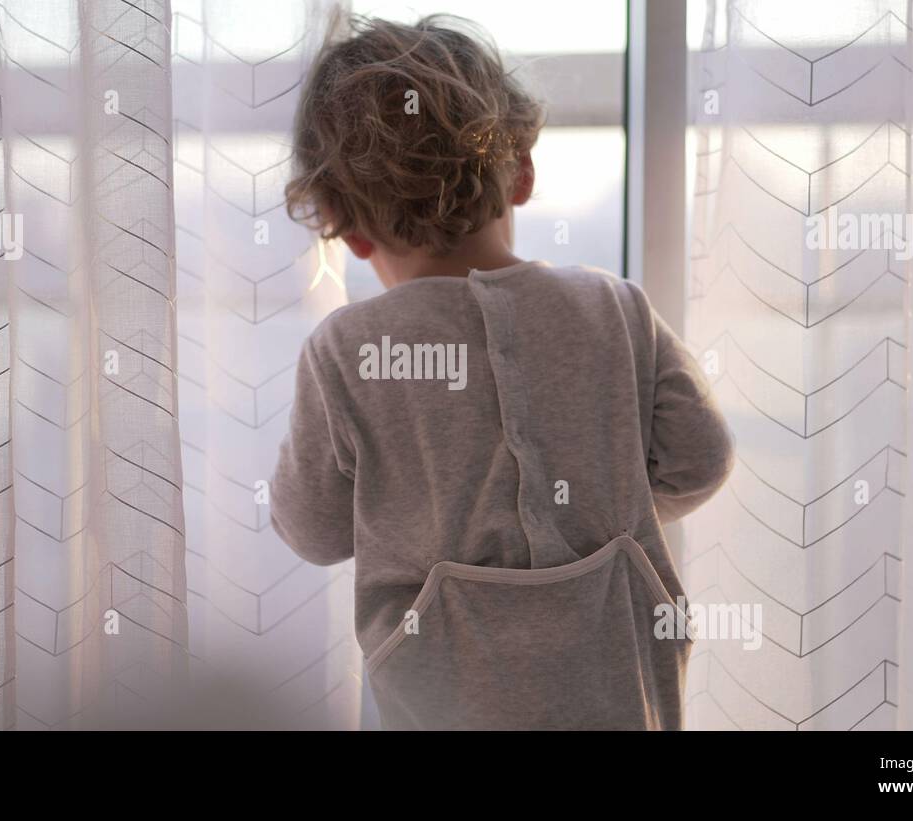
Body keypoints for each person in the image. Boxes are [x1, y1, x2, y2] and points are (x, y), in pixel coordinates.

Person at [271, 13, 735, 730]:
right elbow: (701, 458)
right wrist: (607, 499)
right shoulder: (611, 307)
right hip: (617, 693)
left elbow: (313, 529)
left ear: (346, 226)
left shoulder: (349, 349)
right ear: (521, 171)